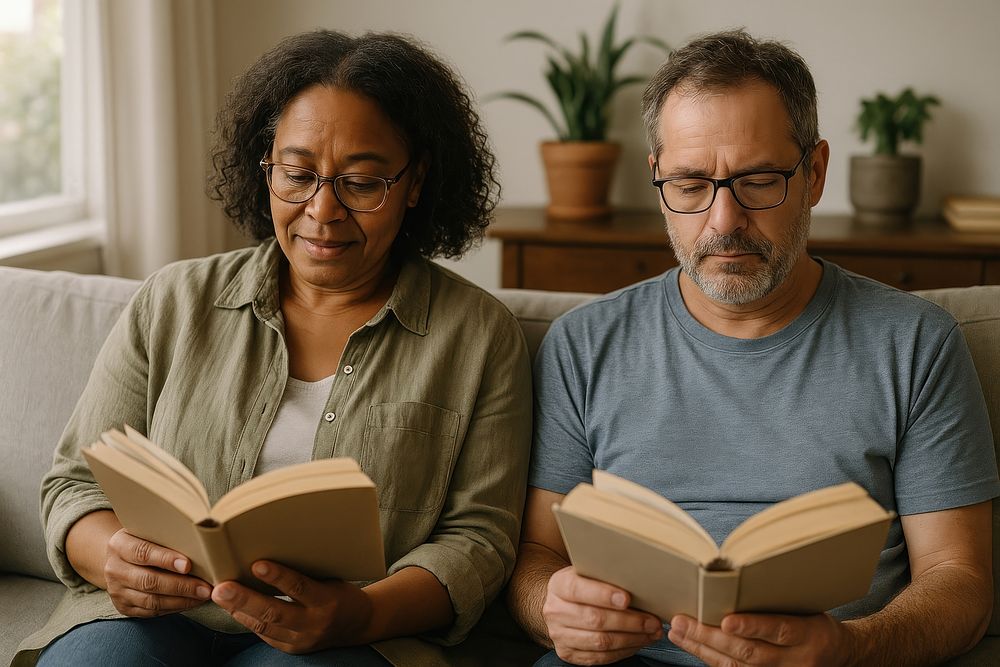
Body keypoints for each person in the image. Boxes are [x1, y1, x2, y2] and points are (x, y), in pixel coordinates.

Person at [18, 30, 532, 666]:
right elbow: (75, 484)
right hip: (154, 617)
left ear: (415, 180)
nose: (322, 210)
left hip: (349, 631)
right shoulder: (175, 300)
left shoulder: (478, 336)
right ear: (265, 169)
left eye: (362, 182)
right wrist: (112, 556)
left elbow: (480, 538)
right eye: (297, 175)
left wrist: (364, 612)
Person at [508, 29, 998, 667]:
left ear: (815, 173)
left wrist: (850, 649)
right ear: (657, 178)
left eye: (759, 181)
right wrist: (551, 605)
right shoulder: (583, 344)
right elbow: (536, 559)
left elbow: (960, 581)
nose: (724, 220)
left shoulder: (916, 343)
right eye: (689, 185)